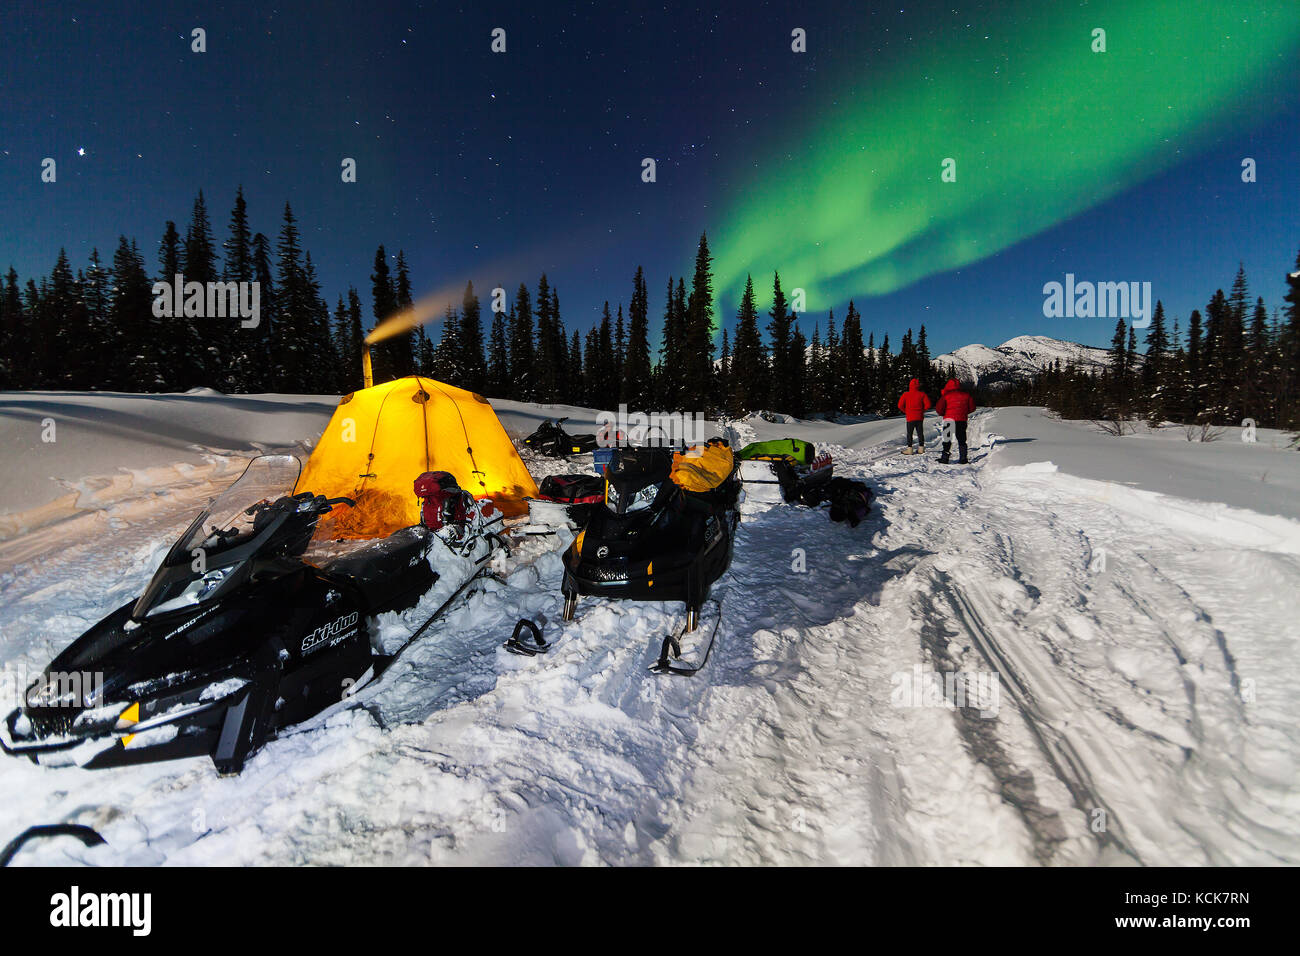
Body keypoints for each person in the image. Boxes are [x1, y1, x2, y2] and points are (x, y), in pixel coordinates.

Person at [934, 379, 977, 464]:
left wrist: (944, 414)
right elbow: (972, 408)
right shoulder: (966, 395)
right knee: (962, 439)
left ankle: (945, 458)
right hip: (961, 420)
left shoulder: (946, 396)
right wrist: (963, 412)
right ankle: (963, 458)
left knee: (947, 439)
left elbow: (939, 409)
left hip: (948, 419)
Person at [897, 378, 931, 454]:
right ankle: (921, 448)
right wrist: (922, 410)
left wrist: (906, 411)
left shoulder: (906, 394)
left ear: (910, 385)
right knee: (920, 433)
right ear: (918, 386)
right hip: (919, 417)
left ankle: (909, 449)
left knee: (910, 433)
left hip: (910, 417)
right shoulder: (922, 394)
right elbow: (928, 405)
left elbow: (900, 405)